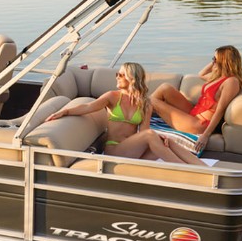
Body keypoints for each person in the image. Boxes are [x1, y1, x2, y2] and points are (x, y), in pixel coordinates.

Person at [46, 62, 204, 165]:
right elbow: (88, 107)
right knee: (152, 135)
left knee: (168, 141)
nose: (117, 77)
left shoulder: (145, 103)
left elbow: (143, 132)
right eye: (117, 74)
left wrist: (159, 140)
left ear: (132, 78)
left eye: (121, 75)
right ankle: (186, 170)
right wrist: (65, 111)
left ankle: (204, 168)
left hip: (134, 152)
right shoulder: (112, 97)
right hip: (115, 150)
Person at [148, 45, 242, 154]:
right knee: (165, 88)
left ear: (224, 61)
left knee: (152, 101)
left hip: (200, 125)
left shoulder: (231, 82)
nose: (213, 61)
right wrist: (214, 63)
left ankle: (139, 117)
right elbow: (201, 74)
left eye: (215, 59)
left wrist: (205, 135)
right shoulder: (219, 77)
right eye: (213, 58)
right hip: (193, 114)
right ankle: (141, 113)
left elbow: (220, 110)